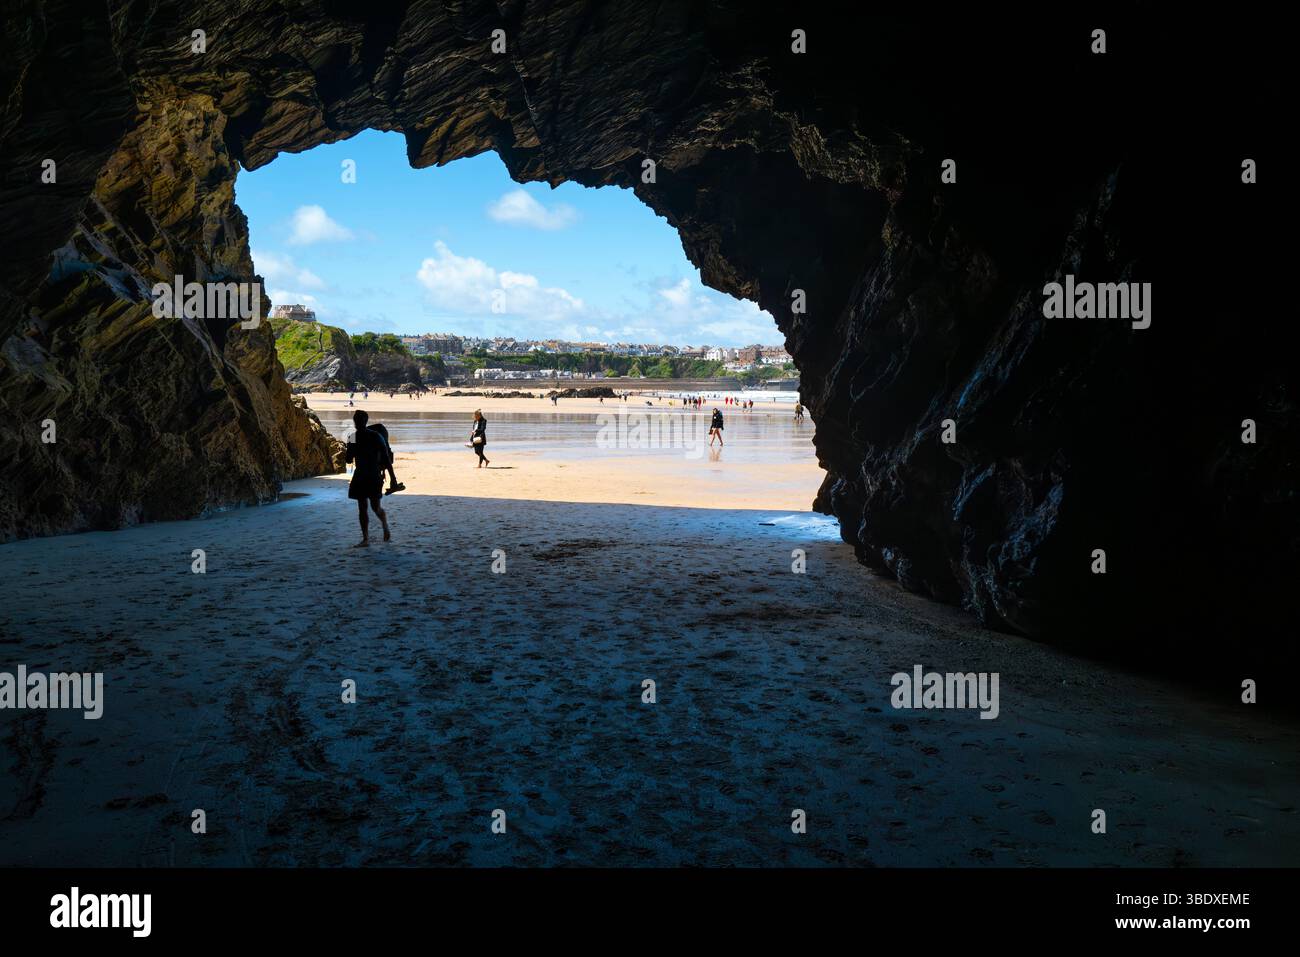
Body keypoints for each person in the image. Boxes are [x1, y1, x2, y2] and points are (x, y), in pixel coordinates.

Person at [344, 410, 392, 547]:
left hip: (367, 475)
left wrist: (393, 479)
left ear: (362, 422)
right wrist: (393, 478)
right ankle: (367, 537)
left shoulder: (356, 437)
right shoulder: (375, 436)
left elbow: (348, 460)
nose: (357, 423)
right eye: (356, 420)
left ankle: (381, 527)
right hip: (369, 475)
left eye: (357, 420)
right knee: (365, 507)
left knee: (372, 506)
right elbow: (386, 459)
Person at [368, 422, 405, 495]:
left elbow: (349, 459)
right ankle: (393, 482)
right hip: (380, 432)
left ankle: (393, 482)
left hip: (380, 432)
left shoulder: (353, 436)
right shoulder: (378, 434)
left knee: (384, 454)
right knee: (385, 455)